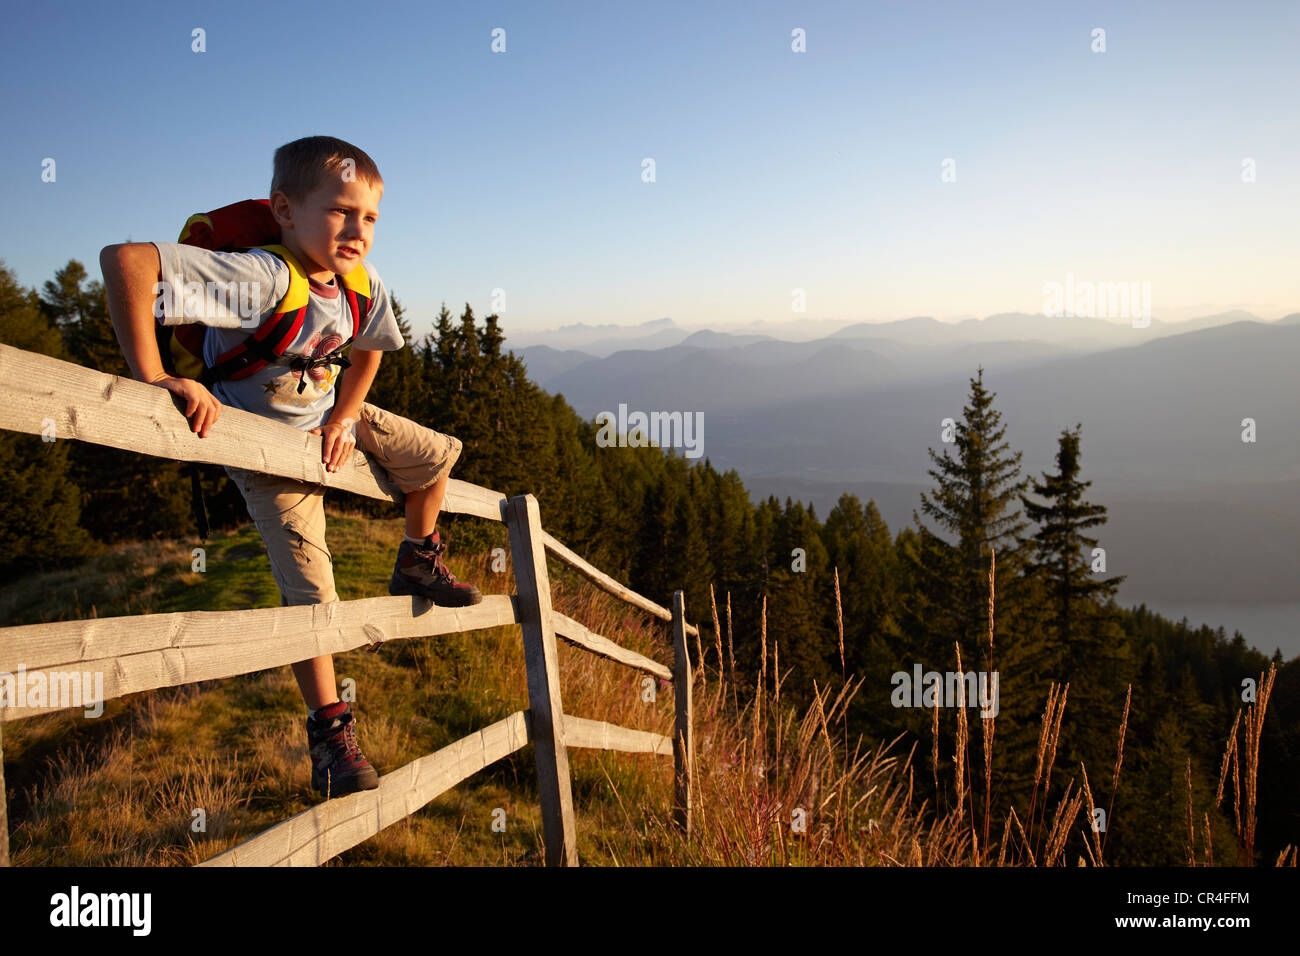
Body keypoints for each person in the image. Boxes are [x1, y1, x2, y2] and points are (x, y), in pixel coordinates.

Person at [101, 135, 482, 800]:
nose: (357, 229)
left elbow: (368, 352)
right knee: (314, 594)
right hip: (263, 446)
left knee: (434, 457)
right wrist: (154, 376)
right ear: (283, 210)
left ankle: (418, 557)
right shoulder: (263, 278)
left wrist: (346, 417)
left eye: (369, 217)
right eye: (339, 211)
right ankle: (331, 736)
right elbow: (127, 262)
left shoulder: (364, 287)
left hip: (326, 417)